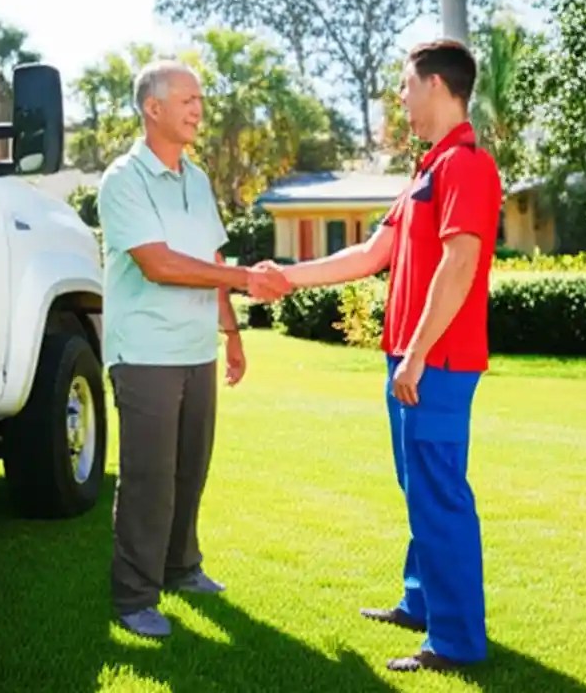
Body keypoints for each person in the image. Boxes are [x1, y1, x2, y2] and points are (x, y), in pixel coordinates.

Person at [264, 39, 502, 672]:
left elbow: (461, 262)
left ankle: (454, 642)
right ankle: (421, 602)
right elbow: (368, 257)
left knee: (439, 490)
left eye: (405, 85)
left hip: (439, 364)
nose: (400, 97)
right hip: (409, 359)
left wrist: (419, 353)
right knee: (418, 485)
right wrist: (286, 278)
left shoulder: (467, 167)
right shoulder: (425, 173)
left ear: (436, 86)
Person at [97, 59, 291, 638]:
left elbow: (212, 264)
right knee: (148, 478)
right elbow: (156, 264)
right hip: (145, 350)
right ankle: (134, 596)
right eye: (187, 99)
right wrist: (242, 282)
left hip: (194, 348)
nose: (198, 109)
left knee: (189, 469)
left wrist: (230, 334)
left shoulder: (197, 178)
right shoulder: (121, 180)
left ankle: (182, 568)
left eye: (200, 99)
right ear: (152, 108)